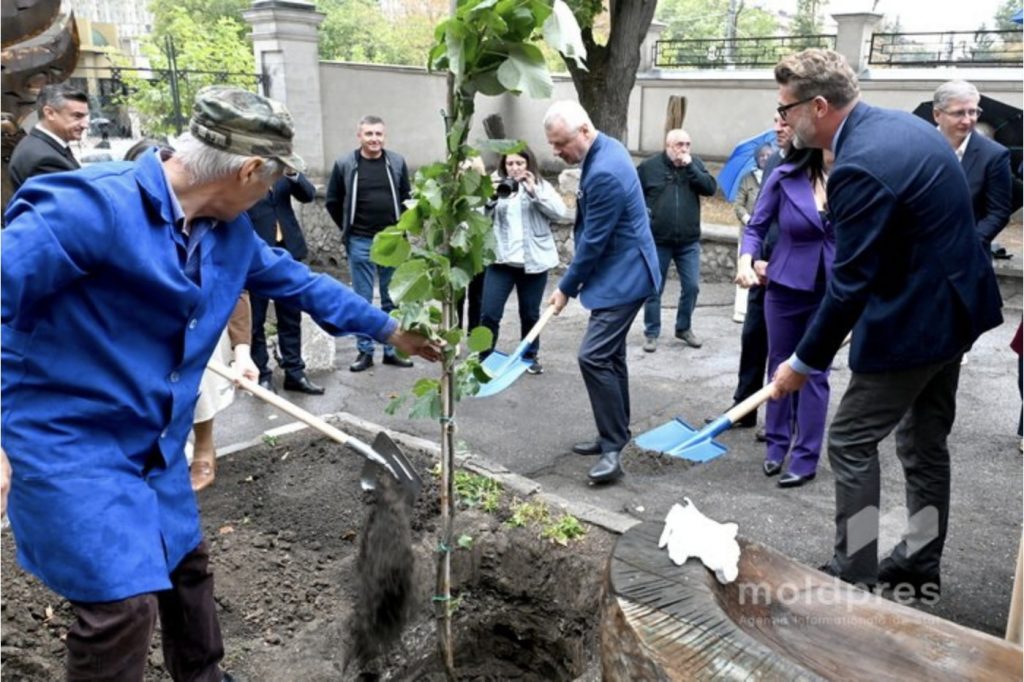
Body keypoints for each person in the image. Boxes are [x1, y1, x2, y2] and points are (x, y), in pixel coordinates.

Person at [1, 86, 442, 681]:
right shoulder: (90, 208)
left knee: (187, 567)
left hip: (155, 443)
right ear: (250, 170)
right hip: (71, 442)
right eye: (273, 180)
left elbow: (301, 283)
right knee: (120, 606)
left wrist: (390, 330)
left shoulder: (226, 233)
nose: (270, 193)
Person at [769, 49, 1002, 594]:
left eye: (786, 109)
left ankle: (853, 575)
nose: (782, 120)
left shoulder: (857, 166)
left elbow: (849, 284)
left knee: (851, 441)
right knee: (924, 443)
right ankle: (919, 562)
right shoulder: (902, 124)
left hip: (915, 324)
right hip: (955, 311)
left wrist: (801, 362)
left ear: (818, 106)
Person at [543, 100, 660, 484]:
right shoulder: (605, 148)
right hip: (621, 270)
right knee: (610, 355)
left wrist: (565, 288)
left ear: (584, 131)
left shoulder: (606, 171)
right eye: (553, 144)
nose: (556, 152)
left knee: (593, 356)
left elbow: (594, 242)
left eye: (561, 143)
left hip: (626, 276)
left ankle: (613, 450)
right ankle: (616, 434)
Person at [736, 147, 835, 488]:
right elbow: (756, 227)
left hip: (831, 292)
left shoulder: (852, 178)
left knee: (815, 372)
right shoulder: (784, 176)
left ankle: (806, 457)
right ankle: (776, 445)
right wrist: (746, 261)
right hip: (785, 287)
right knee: (779, 364)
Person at [722, 114, 795, 436]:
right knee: (753, 337)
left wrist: (776, 264)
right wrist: (753, 261)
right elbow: (762, 217)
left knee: (785, 347)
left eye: (785, 122)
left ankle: (782, 418)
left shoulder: (821, 162)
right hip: (762, 268)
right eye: (776, 121)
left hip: (792, 272)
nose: (777, 128)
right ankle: (744, 407)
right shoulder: (775, 160)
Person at [326, 114, 414, 373]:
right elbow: (333, 201)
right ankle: (364, 351)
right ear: (359, 136)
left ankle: (391, 350)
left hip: (392, 241)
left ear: (384, 136)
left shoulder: (396, 162)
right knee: (361, 301)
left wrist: (402, 229)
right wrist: (348, 228)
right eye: (369, 134)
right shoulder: (345, 163)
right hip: (361, 240)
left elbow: (406, 197)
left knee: (392, 298)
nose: (374, 139)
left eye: (378, 134)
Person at [480, 146, 565, 375]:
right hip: (501, 261)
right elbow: (477, 217)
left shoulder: (540, 185)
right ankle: (484, 358)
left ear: (528, 164)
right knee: (489, 312)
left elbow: (559, 212)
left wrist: (534, 191)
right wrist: (490, 196)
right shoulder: (495, 185)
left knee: (530, 314)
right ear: (504, 165)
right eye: (510, 164)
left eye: (520, 163)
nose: (515, 168)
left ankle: (529, 356)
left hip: (533, 262)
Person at [636, 129, 716, 352]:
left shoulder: (695, 164)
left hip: (688, 241)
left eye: (688, 144)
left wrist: (691, 167)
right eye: (680, 144)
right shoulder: (649, 167)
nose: (684, 149)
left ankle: (683, 327)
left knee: (692, 287)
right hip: (658, 240)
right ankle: (651, 332)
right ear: (668, 146)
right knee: (654, 288)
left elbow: (710, 188)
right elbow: (635, 196)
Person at [246, 170, 324, 394]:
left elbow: (308, 195)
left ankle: (295, 372)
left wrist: (293, 173)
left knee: (291, 316)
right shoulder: (244, 171)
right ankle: (262, 375)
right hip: (257, 253)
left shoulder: (283, 170)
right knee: (256, 319)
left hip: (288, 250)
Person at [932, 80, 1012, 248]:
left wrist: (968, 244)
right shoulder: (916, 146)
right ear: (937, 115)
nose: (967, 120)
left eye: (973, 112)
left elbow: (998, 213)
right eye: (959, 113)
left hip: (967, 253)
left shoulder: (994, 155)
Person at [189, 292, 257, 491]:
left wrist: (242, 352)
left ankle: (203, 447)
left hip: (198, 316)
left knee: (201, 385)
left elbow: (235, 288)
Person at [8, 83, 89, 192]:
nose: (85, 125)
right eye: (77, 116)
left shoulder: (40, 146)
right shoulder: (44, 159)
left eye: (85, 116)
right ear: (49, 113)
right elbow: (72, 199)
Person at [731, 143, 774, 323]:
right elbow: (738, 205)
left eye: (768, 155)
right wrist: (749, 219)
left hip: (768, 235)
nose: (765, 158)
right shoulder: (747, 179)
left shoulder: (775, 176)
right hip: (749, 233)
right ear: (756, 158)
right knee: (745, 269)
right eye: (762, 155)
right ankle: (741, 311)